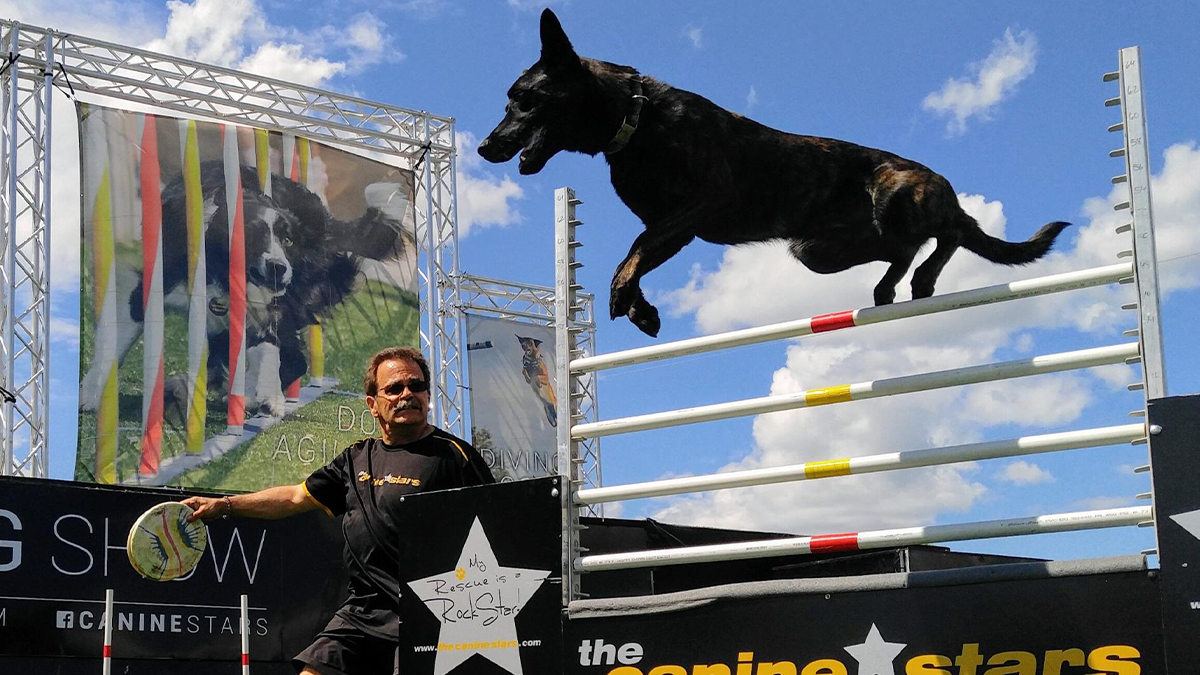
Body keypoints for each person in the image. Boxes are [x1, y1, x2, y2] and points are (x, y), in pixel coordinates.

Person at [184, 346, 495, 675]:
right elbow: (293, 497)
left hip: (428, 613)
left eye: (416, 386)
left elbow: (499, 527)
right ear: (372, 405)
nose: (408, 394)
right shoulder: (356, 458)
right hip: (362, 612)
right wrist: (225, 505)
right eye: (394, 388)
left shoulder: (455, 456)